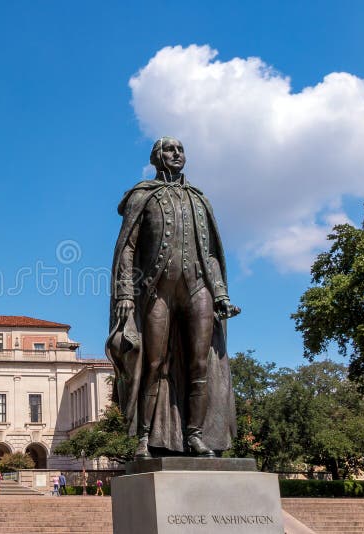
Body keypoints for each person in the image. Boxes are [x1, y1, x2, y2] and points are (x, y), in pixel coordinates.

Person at [106, 137, 239, 459]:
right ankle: (145, 436)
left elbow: (209, 254)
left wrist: (220, 292)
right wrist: (125, 291)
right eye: (169, 150)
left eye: (180, 149)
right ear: (156, 157)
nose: (176, 154)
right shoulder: (143, 196)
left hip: (198, 287)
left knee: (200, 363)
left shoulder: (198, 199)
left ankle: (195, 434)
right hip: (157, 290)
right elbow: (128, 248)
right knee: (152, 362)